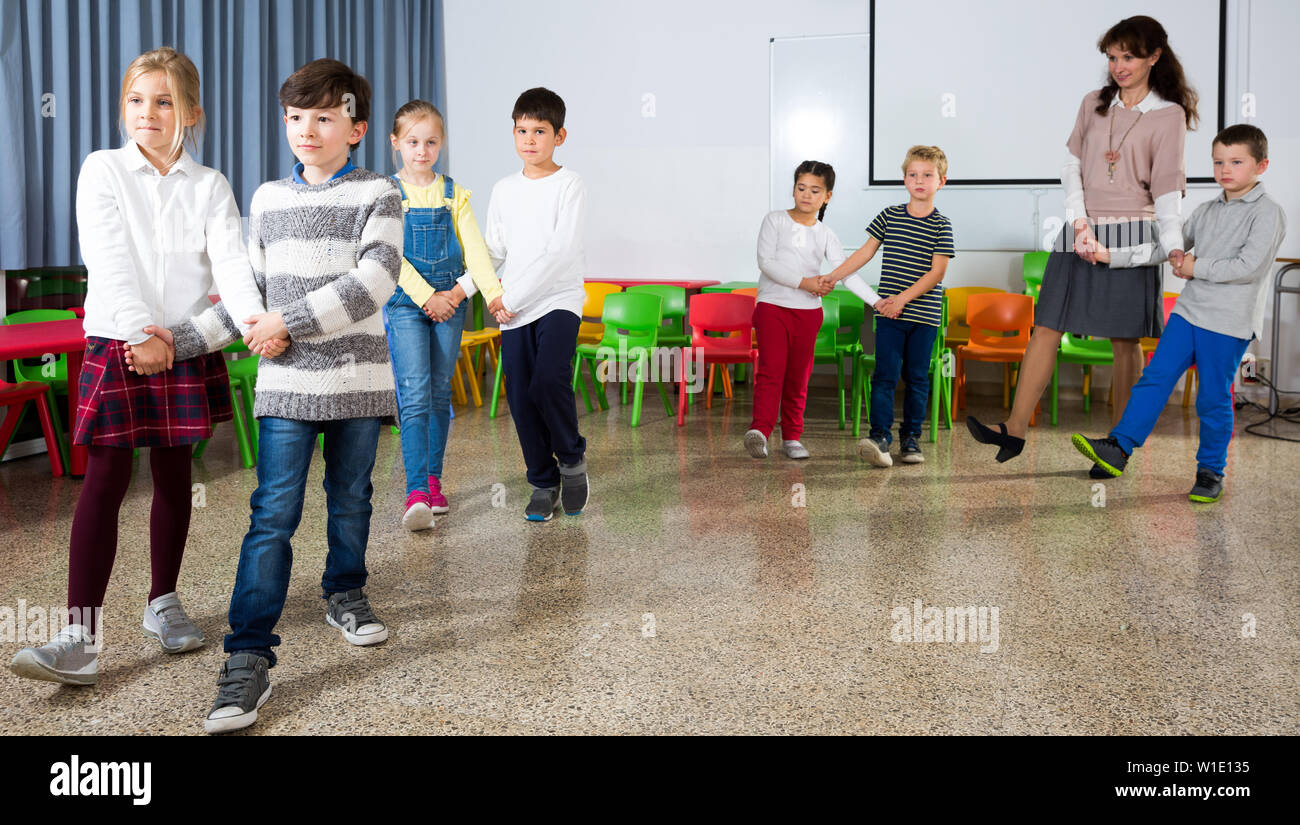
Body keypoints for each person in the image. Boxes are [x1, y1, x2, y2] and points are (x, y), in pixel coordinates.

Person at [145, 58, 402, 732]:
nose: (306, 129)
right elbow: (243, 302)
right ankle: (248, 654)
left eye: (324, 116)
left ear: (357, 126)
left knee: (352, 500)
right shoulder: (267, 200)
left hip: (358, 384)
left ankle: (346, 591)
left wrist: (286, 322)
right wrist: (176, 340)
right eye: (295, 117)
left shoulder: (380, 193)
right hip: (285, 388)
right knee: (272, 516)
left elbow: (374, 281)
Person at [9, 47, 270, 686]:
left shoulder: (211, 187)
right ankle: (80, 634)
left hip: (182, 344)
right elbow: (109, 261)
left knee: (177, 471)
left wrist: (257, 324)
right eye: (136, 100)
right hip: (120, 343)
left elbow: (233, 268)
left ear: (193, 113)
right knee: (104, 476)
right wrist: (137, 338)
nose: (147, 113)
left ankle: (163, 600)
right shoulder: (102, 170)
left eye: (164, 102)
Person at [967, 15, 1197, 470]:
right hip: (1079, 231)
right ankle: (1013, 430)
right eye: (1112, 57)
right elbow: (1072, 166)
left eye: (1129, 56)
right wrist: (1078, 223)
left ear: (1154, 56)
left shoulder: (1168, 116)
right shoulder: (1093, 102)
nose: (1119, 66)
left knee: (1124, 343)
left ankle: (1117, 447)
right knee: (1046, 328)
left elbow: (1168, 190)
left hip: (1133, 231)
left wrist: (1172, 248)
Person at [1072, 124, 1286, 502]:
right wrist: (1110, 256)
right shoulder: (1206, 211)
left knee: (1212, 398)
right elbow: (1164, 248)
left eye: (1236, 161)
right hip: (1189, 312)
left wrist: (1194, 267)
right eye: (1219, 161)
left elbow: (1248, 266)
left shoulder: (1268, 213)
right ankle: (1118, 449)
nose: (1225, 169)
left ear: (1261, 165)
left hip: (1228, 321)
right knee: (1154, 379)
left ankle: (1209, 472)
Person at [384, 100, 504, 530]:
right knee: (413, 394)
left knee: (438, 394)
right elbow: (387, 257)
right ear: (395, 143)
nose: (422, 150)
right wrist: (427, 297)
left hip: (450, 304)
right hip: (404, 305)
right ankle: (415, 490)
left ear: (442, 144)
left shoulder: (455, 193)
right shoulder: (387, 195)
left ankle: (433, 481)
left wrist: (475, 294)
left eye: (431, 142)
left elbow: (477, 252)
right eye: (413, 142)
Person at [484, 87, 589, 522]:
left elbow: (559, 253)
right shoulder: (503, 189)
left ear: (559, 136)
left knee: (548, 381)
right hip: (513, 311)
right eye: (522, 130)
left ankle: (571, 457)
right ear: (513, 133)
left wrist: (508, 297)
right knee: (522, 398)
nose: (530, 140)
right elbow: (491, 252)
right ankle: (543, 482)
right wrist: (474, 291)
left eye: (540, 131)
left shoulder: (570, 184)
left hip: (558, 301)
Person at [830, 146, 954, 467]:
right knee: (884, 376)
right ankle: (880, 436)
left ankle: (910, 438)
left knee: (916, 378)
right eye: (913, 174)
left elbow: (937, 272)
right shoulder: (888, 215)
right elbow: (864, 253)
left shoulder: (942, 225)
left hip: (922, 317)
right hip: (888, 316)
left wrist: (902, 299)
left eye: (927, 175)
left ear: (941, 181)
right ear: (904, 179)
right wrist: (833, 275)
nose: (919, 180)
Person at [744, 160, 877, 460]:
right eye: (801, 188)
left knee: (798, 375)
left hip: (808, 314)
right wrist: (806, 282)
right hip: (772, 307)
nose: (806, 195)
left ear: (827, 196)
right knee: (771, 370)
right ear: (793, 189)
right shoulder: (775, 220)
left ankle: (792, 437)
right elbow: (766, 263)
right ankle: (760, 431)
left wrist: (876, 301)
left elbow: (846, 273)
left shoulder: (826, 233)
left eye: (815, 190)